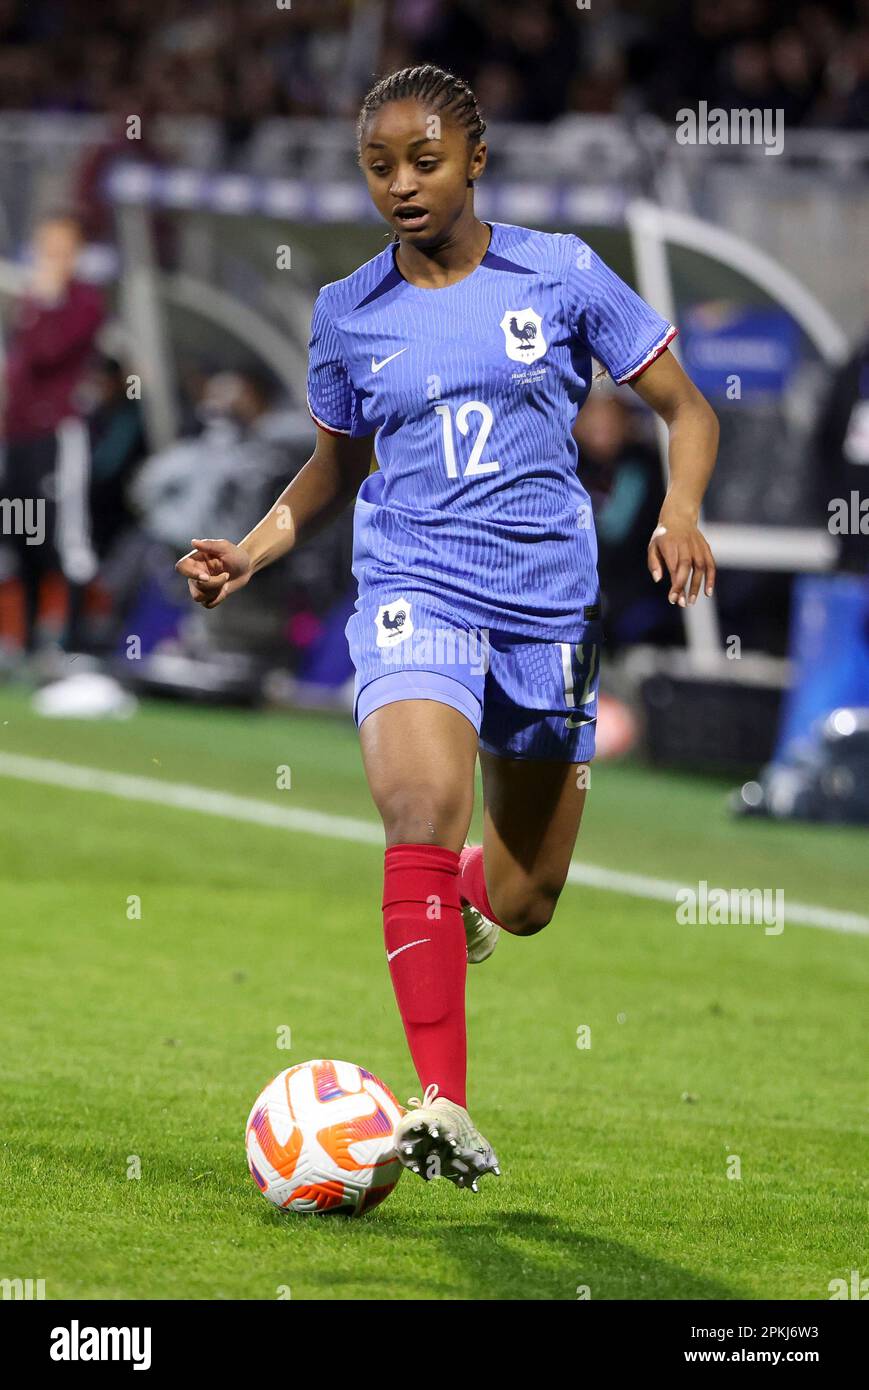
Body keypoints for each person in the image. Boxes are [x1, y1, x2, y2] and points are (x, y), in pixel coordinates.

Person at [176, 65, 718, 1191]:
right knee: (419, 806)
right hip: (415, 583)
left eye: (424, 161)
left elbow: (685, 407)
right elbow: (333, 469)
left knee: (525, 901)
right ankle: (443, 1105)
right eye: (379, 167)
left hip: (548, 608)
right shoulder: (347, 312)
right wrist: (251, 548)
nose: (402, 185)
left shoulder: (561, 271)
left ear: (475, 160)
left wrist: (676, 507)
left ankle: (467, 895)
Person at [1, 211, 104, 655]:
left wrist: (45, 300)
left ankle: (73, 643)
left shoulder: (83, 300)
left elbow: (47, 352)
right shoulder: (32, 299)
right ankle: (23, 642)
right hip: (19, 436)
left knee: (66, 538)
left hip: (57, 436)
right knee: (23, 532)